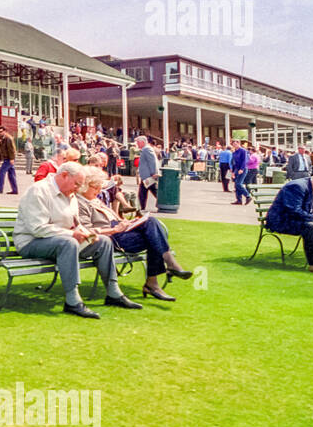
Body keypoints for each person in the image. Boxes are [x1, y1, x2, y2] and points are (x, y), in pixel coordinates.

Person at [13, 161, 142, 318]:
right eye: (77, 184)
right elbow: (38, 229)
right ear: (64, 175)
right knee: (69, 242)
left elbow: (75, 223)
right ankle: (72, 301)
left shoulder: (70, 194)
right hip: (30, 242)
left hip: (60, 241)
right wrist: (72, 234)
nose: (79, 189)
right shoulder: (39, 191)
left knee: (103, 241)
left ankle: (113, 293)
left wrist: (86, 234)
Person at [77, 167, 191, 300]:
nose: (98, 190)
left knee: (152, 225)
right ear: (84, 186)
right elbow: (87, 231)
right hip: (109, 238)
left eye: (99, 187)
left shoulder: (94, 199)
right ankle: (160, 273)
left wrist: (127, 223)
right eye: (95, 187)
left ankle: (156, 279)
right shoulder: (80, 203)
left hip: (119, 230)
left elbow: (115, 218)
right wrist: (114, 229)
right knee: (154, 234)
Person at [136, 136, 159, 211]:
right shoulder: (145, 149)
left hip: (148, 176)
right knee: (144, 192)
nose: (137, 144)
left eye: (138, 142)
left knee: (152, 191)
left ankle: (142, 207)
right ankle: (141, 207)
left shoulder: (147, 149)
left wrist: (154, 173)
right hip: (146, 176)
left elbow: (152, 162)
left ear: (142, 142)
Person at [0, 128, 18, 194]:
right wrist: (0, 159)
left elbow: (11, 150)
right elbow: (1, 150)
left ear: (5, 131)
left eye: (1, 131)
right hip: (7, 159)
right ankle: (15, 190)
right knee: (11, 175)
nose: (0, 133)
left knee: (1, 173)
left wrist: (12, 159)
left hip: (9, 159)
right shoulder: (3, 139)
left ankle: (0, 189)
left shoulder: (8, 139)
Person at [230, 140, 251, 205]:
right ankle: (239, 200)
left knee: (238, 183)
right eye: (233, 144)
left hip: (243, 169)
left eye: (235, 144)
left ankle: (248, 196)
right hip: (237, 169)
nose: (234, 146)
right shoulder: (234, 152)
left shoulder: (243, 151)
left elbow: (244, 160)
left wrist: (242, 169)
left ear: (239, 144)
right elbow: (234, 163)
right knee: (236, 185)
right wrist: (233, 172)